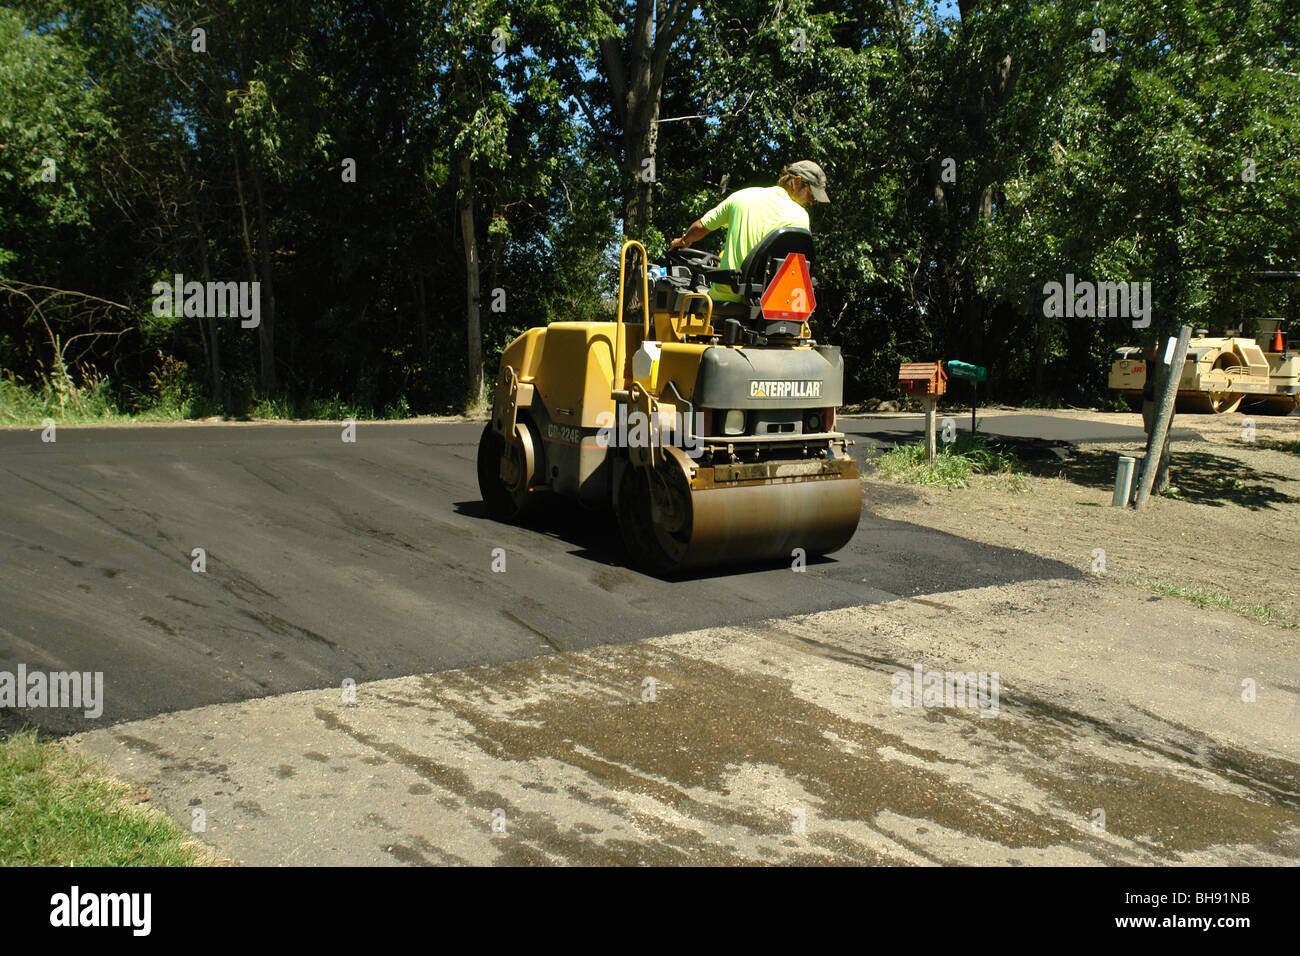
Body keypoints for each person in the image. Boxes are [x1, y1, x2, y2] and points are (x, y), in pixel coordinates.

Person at [669, 161, 829, 302]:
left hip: (726, 299)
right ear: (797, 182)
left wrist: (683, 241)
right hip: (768, 306)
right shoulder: (801, 217)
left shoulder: (743, 197)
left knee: (673, 296)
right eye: (811, 194)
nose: (812, 201)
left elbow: (701, 228)